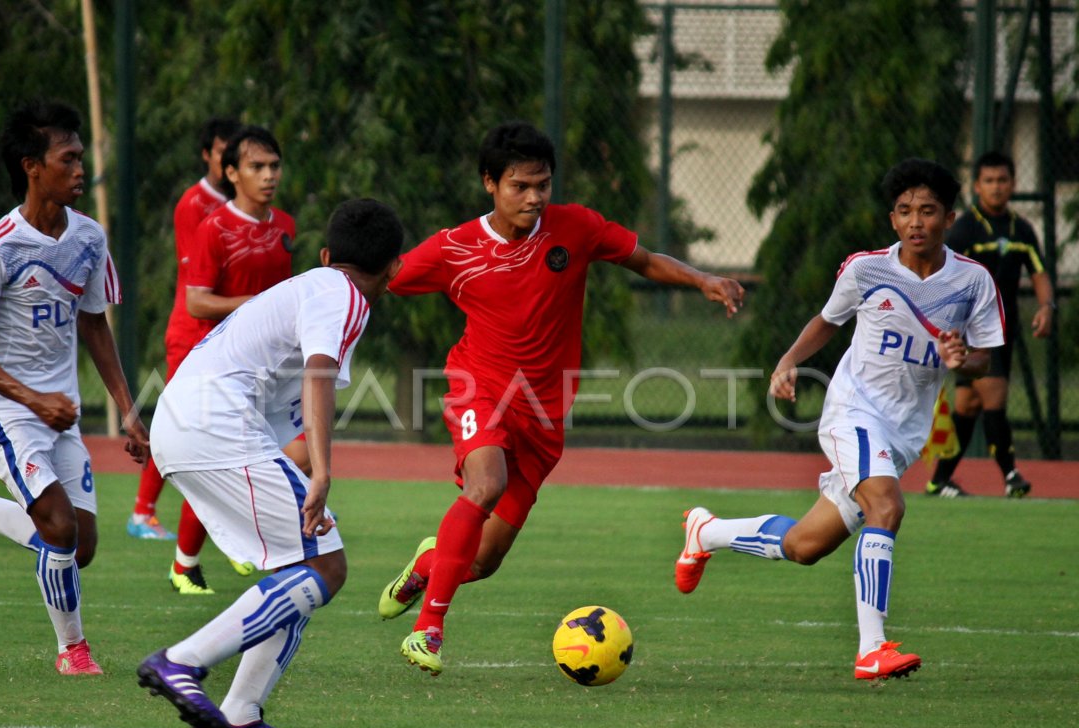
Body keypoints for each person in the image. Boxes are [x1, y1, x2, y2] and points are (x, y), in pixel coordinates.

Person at [376, 120, 745, 676]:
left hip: (545, 415)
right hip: (479, 385)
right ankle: (428, 630)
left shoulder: (574, 227)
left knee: (484, 561)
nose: (533, 197)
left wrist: (703, 281)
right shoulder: (454, 248)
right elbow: (388, 277)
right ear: (489, 184)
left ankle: (431, 561)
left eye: (542, 184)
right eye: (519, 186)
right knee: (485, 483)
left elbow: (640, 259)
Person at [674, 158, 1004, 680]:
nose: (915, 221)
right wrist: (787, 362)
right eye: (904, 211)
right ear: (892, 220)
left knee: (806, 546)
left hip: (904, 433)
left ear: (949, 217)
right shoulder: (866, 269)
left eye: (928, 211)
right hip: (853, 410)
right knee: (887, 507)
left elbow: (986, 355)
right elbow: (828, 321)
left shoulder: (973, 283)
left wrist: (966, 358)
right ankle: (872, 649)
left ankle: (707, 532)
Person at [136, 198, 403, 728]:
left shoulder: (312, 285)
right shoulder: (346, 296)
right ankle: (181, 661)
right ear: (392, 270)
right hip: (213, 424)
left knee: (302, 560)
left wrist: (300, 472)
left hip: (191, 419)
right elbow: (319, 373)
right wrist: (323, 473)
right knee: (326, 566)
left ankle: (242, 713)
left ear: (327, 253)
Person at [0, 99, 149, 675]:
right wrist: (33, 399)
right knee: (57, 526)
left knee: (82, 546)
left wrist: (127, 410)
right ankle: (73, 650)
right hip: (1, 405)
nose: (81, 169)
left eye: (82, 157)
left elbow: (95, 322)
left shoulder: (90, 239)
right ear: (32, 166)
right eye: (69, 158)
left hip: (58, 410)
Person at [159, 124, 309, 596]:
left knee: (300, 455)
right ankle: (185, 564)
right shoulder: (214, 228)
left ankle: (274, 545)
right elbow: (197, 302)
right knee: (216, 461)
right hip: (223, 365)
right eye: (255, 167)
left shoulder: (285, 225)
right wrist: (258, 305)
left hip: (273, 365)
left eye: (274, 166)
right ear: (230, 172)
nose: (268, 176)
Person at [127, 116, 242, 542]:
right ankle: (142, 512)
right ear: (208, 156)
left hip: (227, 330)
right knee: (181, 420)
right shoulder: (195, 205)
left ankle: (292, 494)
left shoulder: (246, 207)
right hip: (194, 329)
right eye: (222, 152)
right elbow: (200, 283)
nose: (230, 161)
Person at [925, 151, 1055, 499]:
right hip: (970, 330)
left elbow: (1039, 272)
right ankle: (1012, 475)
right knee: (994, 395)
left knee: (968, 405)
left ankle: (938, 482)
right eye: (989, 181)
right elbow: (943, 275)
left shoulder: (1022, 230)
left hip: (1005, 326)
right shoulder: (965, 229)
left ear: (1013, 184)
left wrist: (1046, 306)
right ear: (977, 186)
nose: (996, 187)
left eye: (1002, 180)